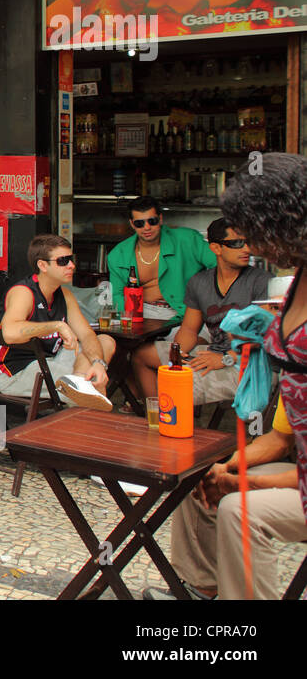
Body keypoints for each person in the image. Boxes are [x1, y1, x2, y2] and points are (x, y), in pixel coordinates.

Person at [149, 394, 304, 599]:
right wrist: (227, 467)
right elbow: (279, 440)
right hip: (297, 473)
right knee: (199, 476)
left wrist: (243, 484)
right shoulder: (297, 372)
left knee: (239, 509)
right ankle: (200, 590)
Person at [221, 152, 307, 520]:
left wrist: (252, 484)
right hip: (294, 462)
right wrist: (228, 467)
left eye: (253, 234)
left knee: (235, 512)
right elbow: (281, 438)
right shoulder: (298, 278)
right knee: (200, 488)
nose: (252, 248)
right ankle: (203, 582)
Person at [130, 218, 268, 401]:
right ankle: (154, 420)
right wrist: (177, 355)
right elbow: (188, 330)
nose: (246, 249)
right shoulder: (200, 282)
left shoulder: (262, 281)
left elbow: (267, 335)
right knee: (142, 356)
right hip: (215, 352)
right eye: (237, 243)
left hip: (251, 363)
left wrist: (227, 357)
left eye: (248, 242)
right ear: (216, 248)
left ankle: (172, 421)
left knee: (179, 383)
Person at [0, 234, 116, 411]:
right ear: (43, 265)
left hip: (51, 361)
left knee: (106, 341)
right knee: (93, 387)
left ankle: (78, 383)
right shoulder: (23, 292)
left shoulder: (64, 295)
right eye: (63, 261)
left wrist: (98, 363)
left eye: (71, 259)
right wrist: (57, 325)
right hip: (16, 372)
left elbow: (87, 335)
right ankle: (80, 407)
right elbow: (10, 333)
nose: (71, 265)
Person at [108, 196, 215, 323]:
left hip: (184, 311)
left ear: (160, 219)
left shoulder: (187, 240)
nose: (147, 227)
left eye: (152, 221)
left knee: (181, 341)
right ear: (132, 224)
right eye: (139, 223)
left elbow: (221, 264)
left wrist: (207, 297)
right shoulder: (118, 254)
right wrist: (129, 324)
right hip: (142, 314)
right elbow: (117, 295)